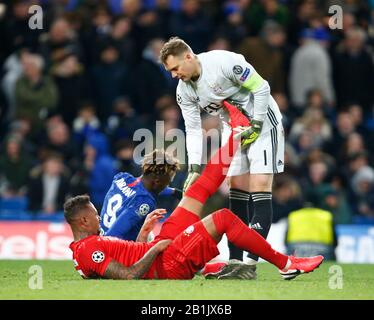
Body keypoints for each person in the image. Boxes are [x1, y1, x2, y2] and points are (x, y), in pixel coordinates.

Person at [65, 102, 323, 280]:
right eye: (95, 215)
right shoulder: (92, 245)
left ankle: (235, 134)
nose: (99, 218)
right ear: (84, 221)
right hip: (166, 262)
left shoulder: (90, 245)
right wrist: (152, 247)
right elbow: (129, 274)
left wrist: (144, 235)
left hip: (157, 251)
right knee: (222, 217)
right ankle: (286, 265)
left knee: (197, 191)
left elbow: (125, 253)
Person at [159, 37, 285, 271]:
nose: (174, 75)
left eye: (175, 68)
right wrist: (195, 167)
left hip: (264, 122)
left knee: (259, 187)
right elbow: (193, 129)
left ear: (188, 56)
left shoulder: (224, 62)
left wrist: (256, 123)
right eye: (170, 71)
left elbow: (261, 87)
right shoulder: (183, 91)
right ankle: (235, 262)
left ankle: (249, 265)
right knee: (236, 191)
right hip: (234, 130)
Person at [99, 149, 182, 241]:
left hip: (100, 233)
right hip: (112, 247)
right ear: (157, 182)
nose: (167, 186)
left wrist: (174, 192)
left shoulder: (122, 177)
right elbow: (113, 235)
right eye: (167, 183)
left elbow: (146, 189)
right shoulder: (145, 202)